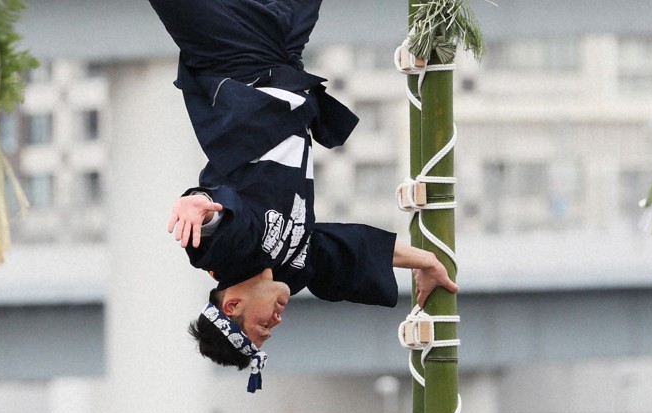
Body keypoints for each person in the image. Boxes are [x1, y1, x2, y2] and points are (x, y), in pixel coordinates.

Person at [148, 0, 457, 391]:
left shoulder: (226, 255)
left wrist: (192, 203)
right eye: (270, 331)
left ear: (232, 306)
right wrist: (425, 260)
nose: (276, 321)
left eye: (263, 326)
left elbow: (217, 215)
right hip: (282, 58)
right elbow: (346, 250)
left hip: (232, 58)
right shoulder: (291, 271)